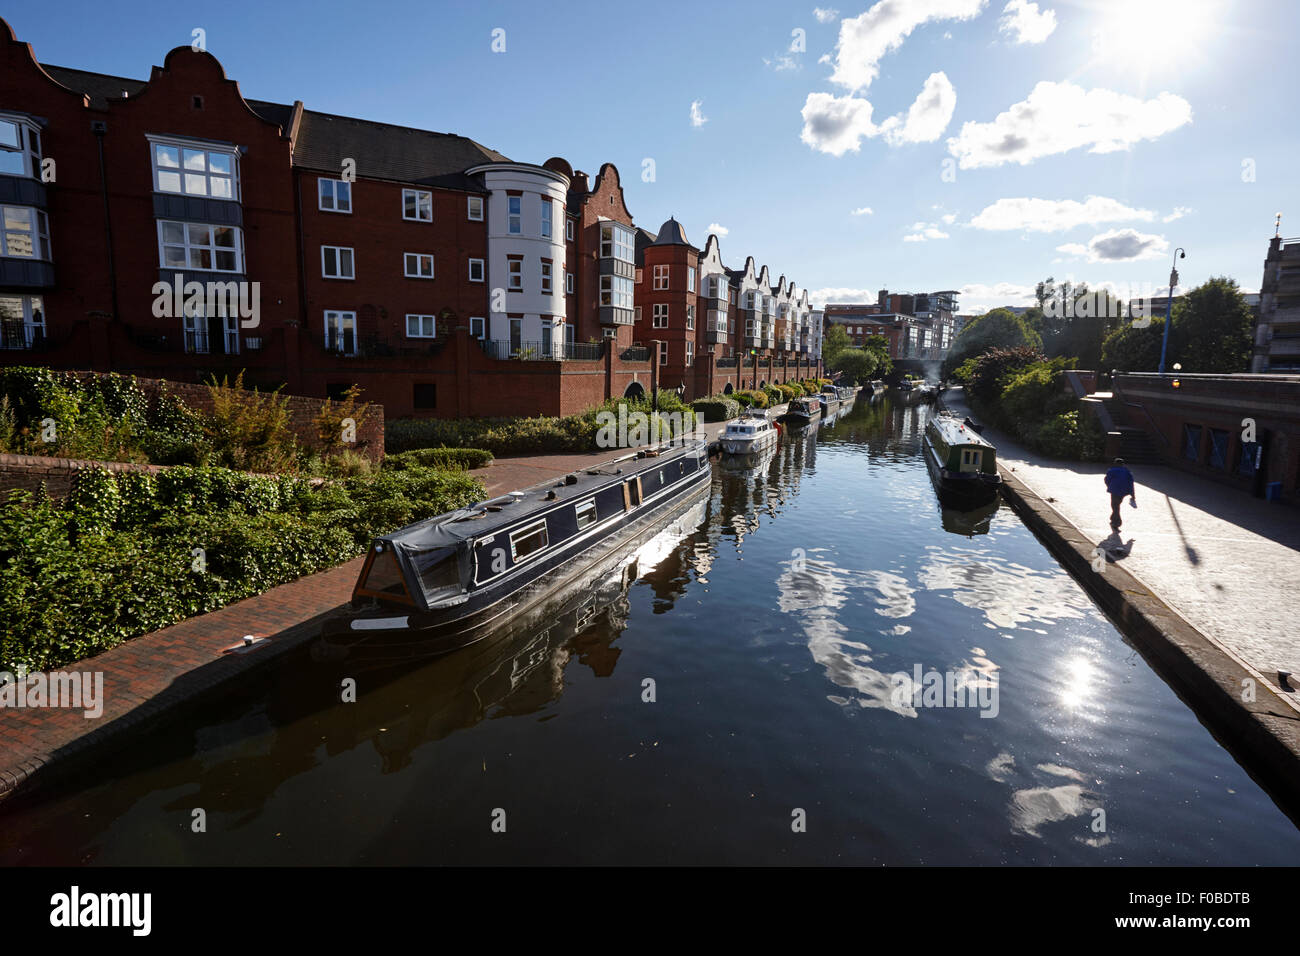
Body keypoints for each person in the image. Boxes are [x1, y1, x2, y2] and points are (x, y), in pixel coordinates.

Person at [1104, 458, 1136, 529]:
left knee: (1115, 506)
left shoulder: (1112, 471)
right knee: (1117, 505)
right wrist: (1132, 494)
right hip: (1124, 491)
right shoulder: (1127, 472)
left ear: (1115, 463)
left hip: (1115, 490)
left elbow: (1107, 480)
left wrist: (1110, 486)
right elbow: (1131, 483)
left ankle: (1117, 522)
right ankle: (1113, 518)